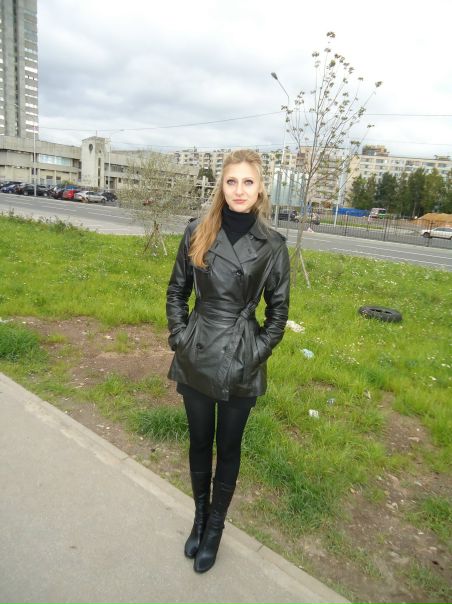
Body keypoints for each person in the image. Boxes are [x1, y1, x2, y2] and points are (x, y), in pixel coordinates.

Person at [166, 149, 290, 573]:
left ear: (260, 188)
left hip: (240, 357)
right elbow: (177, 291)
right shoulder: (197, 231)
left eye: (247, 182)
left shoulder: (273, 245)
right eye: (231, 181)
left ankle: (215, 528)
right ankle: (199, 519)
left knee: (228, 447)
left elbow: (278, 314)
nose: (239, 190)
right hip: (198, 350)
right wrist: (180, 338)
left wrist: (254, 354)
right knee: (199, 442)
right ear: (221, 185)